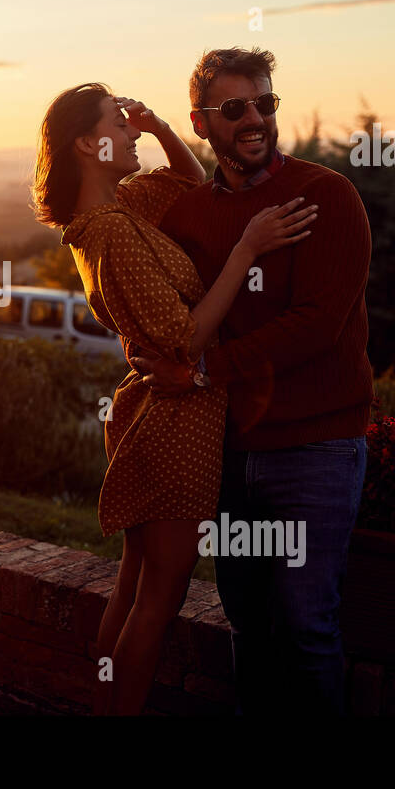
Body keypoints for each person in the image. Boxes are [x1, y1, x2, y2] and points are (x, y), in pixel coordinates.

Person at [30, 82, 317, 715]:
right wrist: (248, 249)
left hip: (154, 412)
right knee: (159, 598)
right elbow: (188, 340)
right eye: (119, 123)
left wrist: (161, 128)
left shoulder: (121, 207)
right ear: (87, 142)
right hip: (178, 421)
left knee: (136, 584)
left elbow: (190, 187)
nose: (130, 132)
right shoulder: (113, 232)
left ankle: (101, 705)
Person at [130, 47, 375, 715]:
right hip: (230, 453)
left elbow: (316, 325)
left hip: (316, 451)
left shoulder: (327, 196)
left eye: (264, 102)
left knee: (305, 624)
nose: (254, 118)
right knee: (247, 623)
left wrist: (203, 371)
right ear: (202, 123)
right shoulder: (186, 218)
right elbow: (173, 309)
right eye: (233, 108)